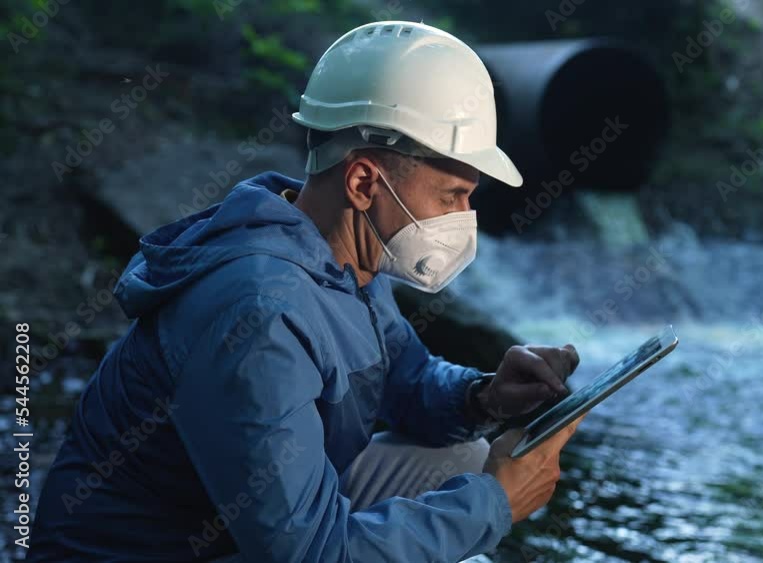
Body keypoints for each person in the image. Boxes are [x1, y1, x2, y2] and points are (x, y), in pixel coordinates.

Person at [29, 20, 587, 562]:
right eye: (452, 195)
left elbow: (404, 379)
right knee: (475, 495)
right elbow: (309, 552)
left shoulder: (340, 255)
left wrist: (485, 396)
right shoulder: (257, 309)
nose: (466, 218)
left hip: (234, 534)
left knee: (461, 461)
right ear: (364, 182)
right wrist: (494, 503)